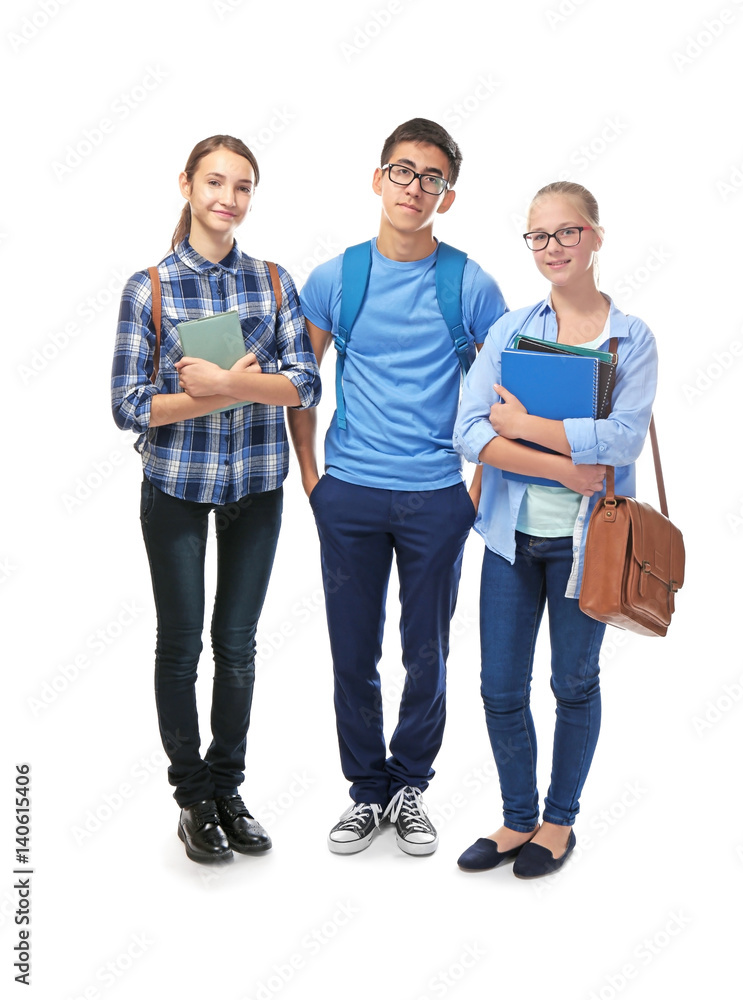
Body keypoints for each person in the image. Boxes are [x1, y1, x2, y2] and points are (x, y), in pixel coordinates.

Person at [287, 118, 506, 856]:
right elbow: (302, 383)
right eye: (403, 171)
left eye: (432, 178)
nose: (415, 187)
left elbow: (503, 397)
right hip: (348, 491)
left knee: (426, 652)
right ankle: (366, 791)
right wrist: (313, 479)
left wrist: (473, 490)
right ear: (378, 179)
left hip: (436, 496)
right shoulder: (336, 278)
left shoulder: (470, 285)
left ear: (447, 197)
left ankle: (409, 785)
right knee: (352, 652)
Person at [111, 135, 320, 864]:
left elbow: (305, 384)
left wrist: (225, 383)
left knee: (236, 645)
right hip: (175, 486)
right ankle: (193, 798)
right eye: (215, 182)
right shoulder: (150, 288)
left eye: (242, 186)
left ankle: (228, 788)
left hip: (257, 485)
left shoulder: (274, 281)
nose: (228, 198)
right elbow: (128, 405)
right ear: (187, 186)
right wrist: (228, 392)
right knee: (181, 645)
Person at [453, 181, 657, 879]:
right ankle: (518, 819)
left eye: (566, 232)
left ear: (595, 235)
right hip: (509, 538)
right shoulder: (511, 331)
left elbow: (624, 439)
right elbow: (469, 431)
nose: (552, 248)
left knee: (572, 683)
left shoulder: (631, 338)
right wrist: (567, 463)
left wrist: (524, 425)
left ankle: (558, 822)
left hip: (588, 546)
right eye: (538, 236)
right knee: (499, 688)